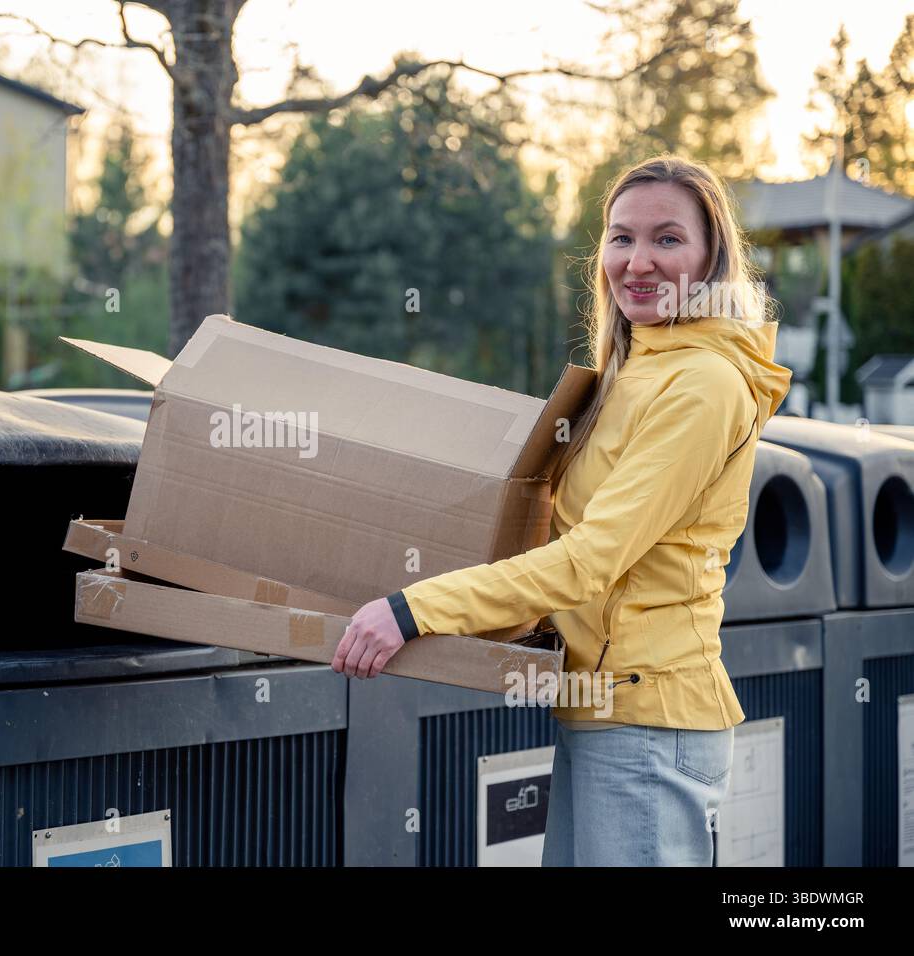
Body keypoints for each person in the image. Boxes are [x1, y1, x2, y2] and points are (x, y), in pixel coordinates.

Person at [331, 154, 793, 866]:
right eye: (621, 237)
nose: (638, 261)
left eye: (668, 239)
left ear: (710, 259)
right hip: (604, 709)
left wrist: (412, 608)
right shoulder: (637, 366)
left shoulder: (702, 384)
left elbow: (590, 562)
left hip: (649, 721)